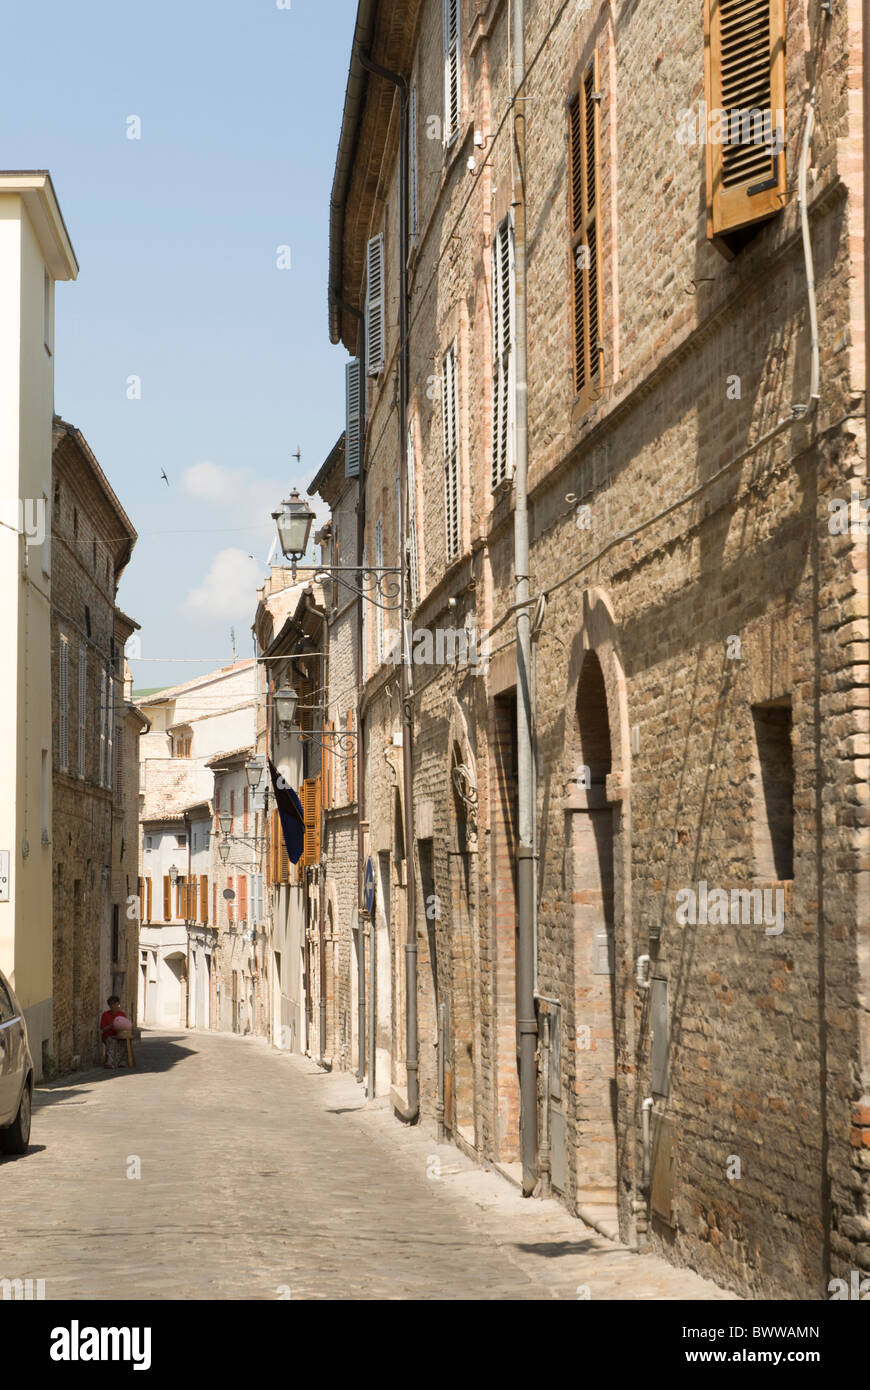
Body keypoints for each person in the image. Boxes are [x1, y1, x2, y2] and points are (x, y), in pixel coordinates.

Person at [100, 995, 132, 1069]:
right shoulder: (105, 1015)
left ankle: (121, 1061)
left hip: (120, 1036)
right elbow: (103, 1029)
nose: (114, 1006)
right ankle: (110, 1062)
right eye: (111, 1004)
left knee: (124, 1042)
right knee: (112, 1042)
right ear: (109, 1006)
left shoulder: (122, 1014)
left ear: (118, 1004)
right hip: (108, 1036)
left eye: (115, 1004)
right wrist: (111, 1025)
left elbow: (126, 1027)